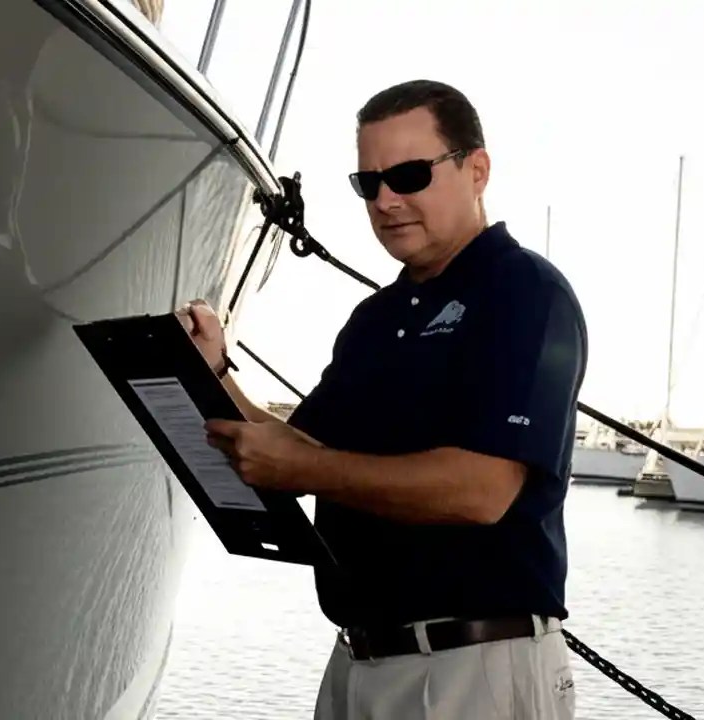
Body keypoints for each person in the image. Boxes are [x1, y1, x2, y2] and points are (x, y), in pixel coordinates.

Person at [178, 79, 587, 719]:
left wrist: (302, 469)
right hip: (356, 665)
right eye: (370, 184)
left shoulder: (525, 293)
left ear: (477, 170)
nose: (387, 200)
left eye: (409, 174)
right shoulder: (376, 317)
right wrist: (214, 372)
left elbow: (481, 491)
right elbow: (300, 449)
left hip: (470, 671)